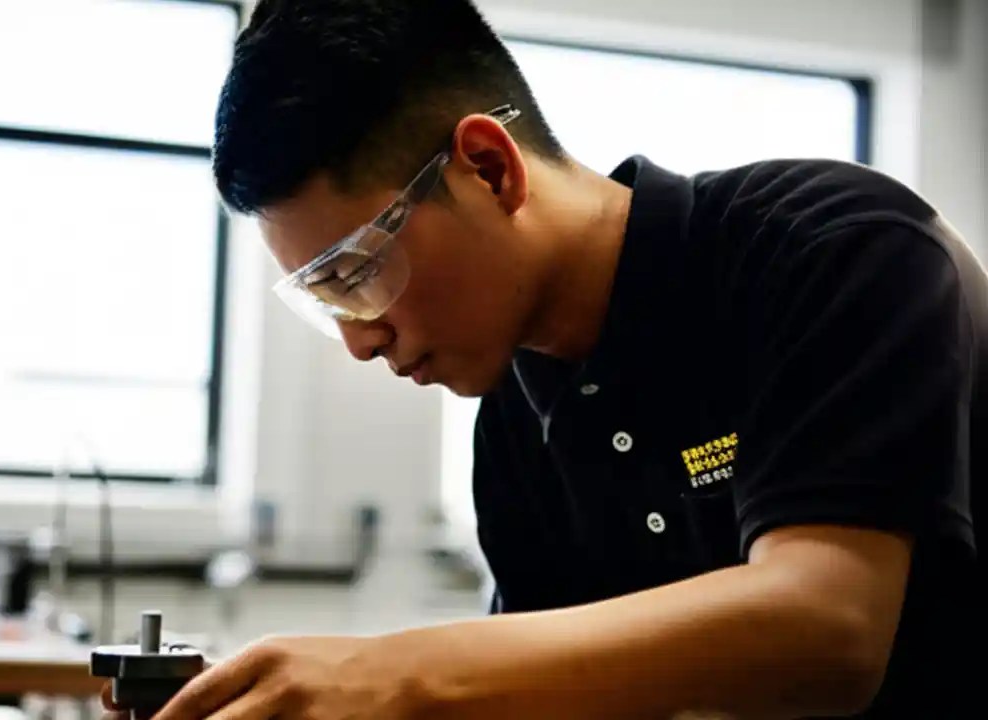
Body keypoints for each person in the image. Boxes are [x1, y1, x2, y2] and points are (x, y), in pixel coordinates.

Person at [105, 0, 987, 717]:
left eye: (359, 275)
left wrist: (397, 674)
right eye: (323, 301)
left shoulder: (828, 249)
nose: (361, 340)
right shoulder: (519, 421)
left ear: (489, 169)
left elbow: (826, 629)